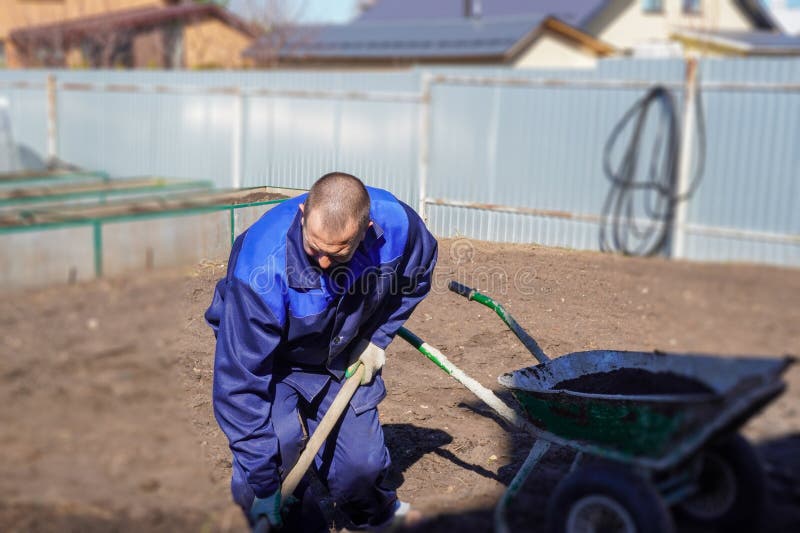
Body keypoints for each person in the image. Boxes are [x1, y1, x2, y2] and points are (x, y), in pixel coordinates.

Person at [205, 172, 438, 531]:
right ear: (302, 213)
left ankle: (377, 514)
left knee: (361, 468)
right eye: (314, 249)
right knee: (272, 460)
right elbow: (239, 385)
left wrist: (377, 337)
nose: (324, 263)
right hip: (271, 360)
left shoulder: (399, 228)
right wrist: (266, 486)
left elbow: (415, 279)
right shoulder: (260, 272)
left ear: (367, 229)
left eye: (338, 252)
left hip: (340, 353)